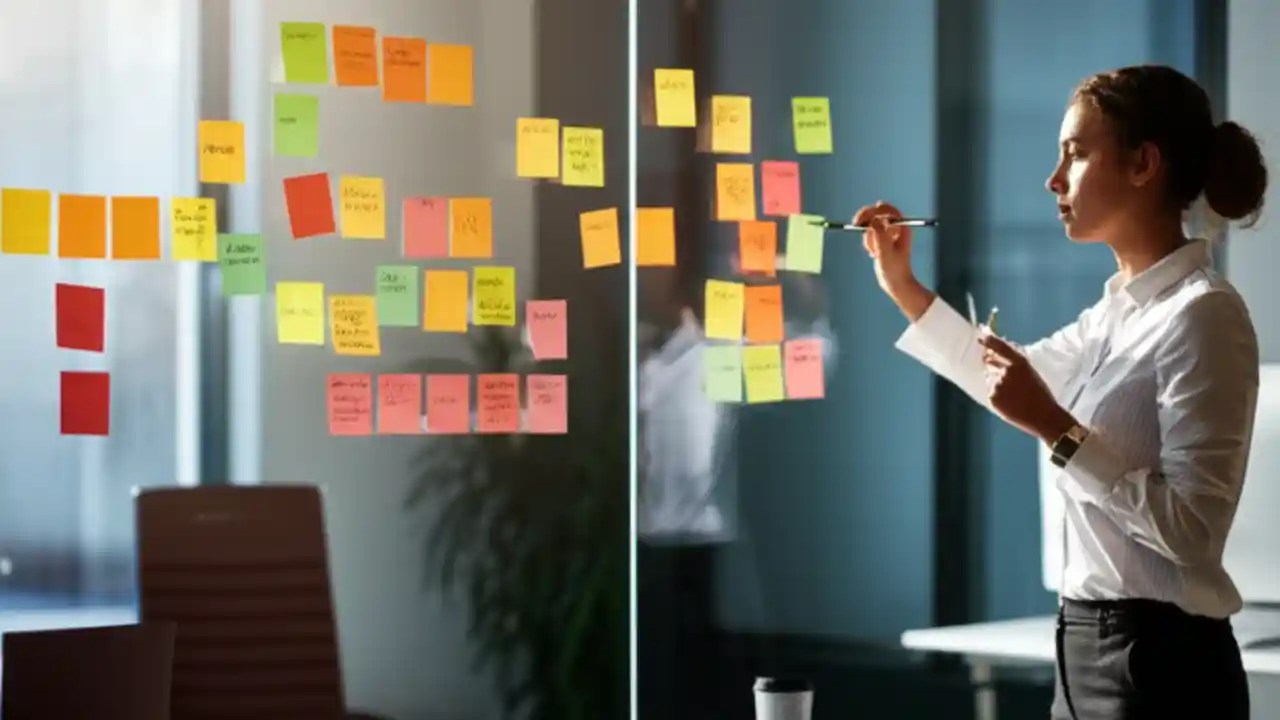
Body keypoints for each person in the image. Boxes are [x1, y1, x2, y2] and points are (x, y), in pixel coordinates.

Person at [857, 64, 1268, 719]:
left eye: (1076, 154)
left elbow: (1193, 534)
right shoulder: (1113, 314)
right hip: (1081, 649)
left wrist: (1056, 427)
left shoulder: (1203, 314)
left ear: (1144, 165)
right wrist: (902, 284)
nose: (1053, 179)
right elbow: (1005, 378)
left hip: (1163, 667)